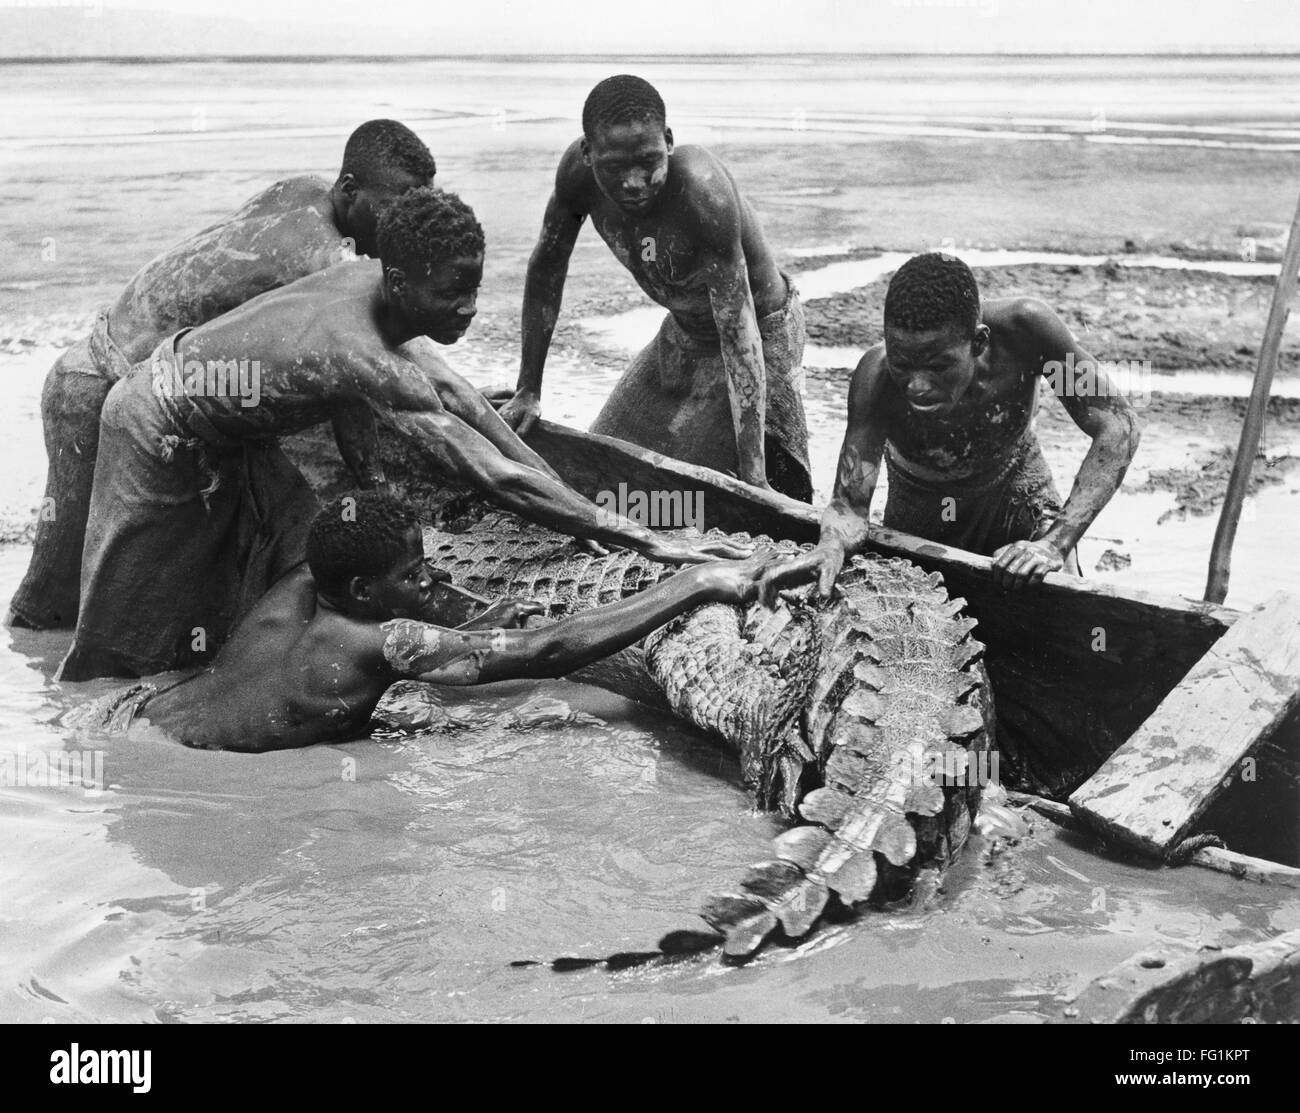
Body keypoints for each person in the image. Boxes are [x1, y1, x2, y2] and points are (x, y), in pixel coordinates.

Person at [57, 187, 745, 682]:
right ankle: (98, 734)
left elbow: (469, 404)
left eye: (476, 288)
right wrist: (642, 534)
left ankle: (282, 673)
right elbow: (492, 474)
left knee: (300, 552)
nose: (469, 309)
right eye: (451, 293)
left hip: (234, 431)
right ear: (400, 278)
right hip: (155, 418)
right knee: (128, 627)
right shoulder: (367, 354)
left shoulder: (372, 286)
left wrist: (578, 506)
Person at [10, 119, 440, 630]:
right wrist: (379, 489)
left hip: (129, 387)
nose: (406, 220)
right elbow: (350, 380)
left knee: (237, 543)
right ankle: (36, 689)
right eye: (399, 201)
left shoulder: (303, 189)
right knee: (56, 593)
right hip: (100, 390)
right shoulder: (325, 259)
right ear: (349, 190)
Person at [76, 492, 795, 752]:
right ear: (362, 588)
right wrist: (694, 579)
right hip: (188, 761)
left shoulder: (299, 584)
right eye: (411, 572)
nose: (427, 579)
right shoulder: (382, 642)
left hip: (129, 719)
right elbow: (550, 649)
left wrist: (474, 618)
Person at [493, 74, 812, 501]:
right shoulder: (576, 178)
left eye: (648, 161)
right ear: (588, 154)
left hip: (758, 331)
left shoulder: (701, 192)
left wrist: (754, 476)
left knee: (707, 495)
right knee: (607, 475)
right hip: (684, 332)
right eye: (613, 168)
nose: (634, 183)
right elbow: (546, 273)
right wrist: (528, 389)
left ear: (668, 140)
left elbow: (739, 331)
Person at [760, 252, 1141, 601]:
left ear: (978, 342)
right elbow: (849, 507)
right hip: (921, 512)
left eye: (938, 366)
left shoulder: (1027, 332)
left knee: (1064, 609)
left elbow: (1117, 426)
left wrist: (1055, 544)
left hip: (1017, 493)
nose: (917, 386)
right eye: (903, 364)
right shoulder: (875, 379)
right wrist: (830, 544)